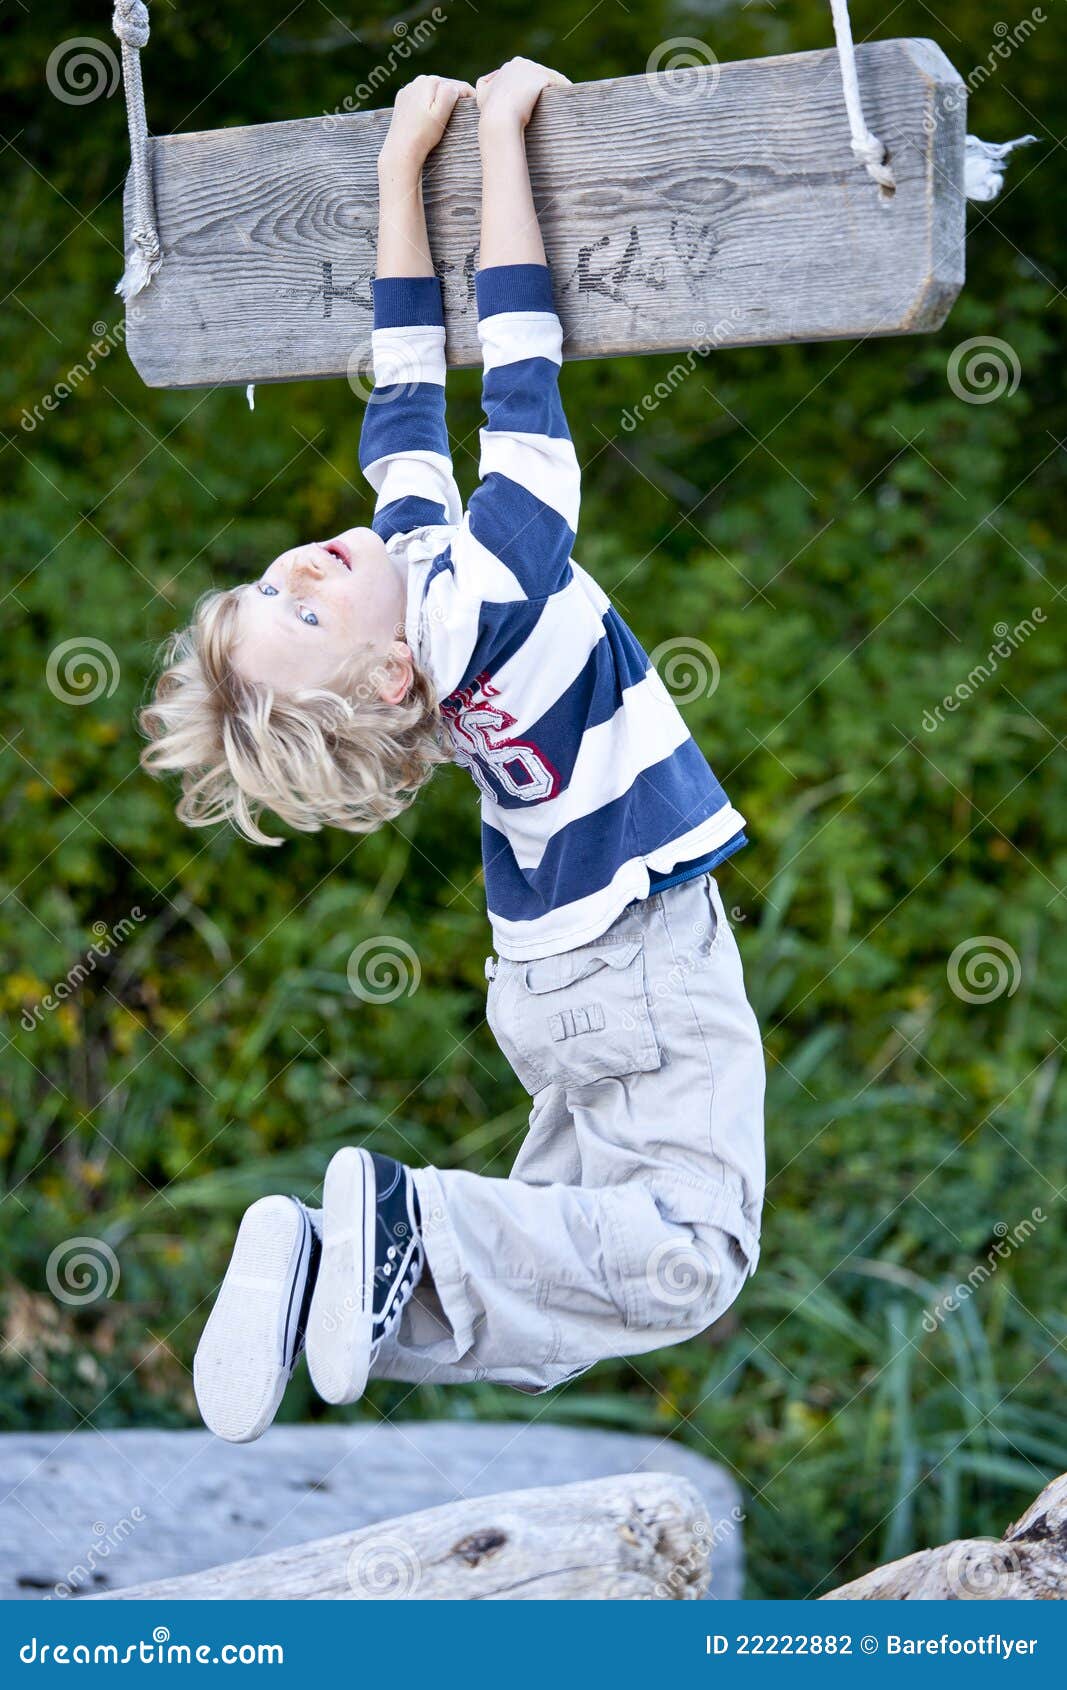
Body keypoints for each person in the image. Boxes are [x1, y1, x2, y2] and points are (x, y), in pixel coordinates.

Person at [142, 60, 765, 1443]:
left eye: (275, 581)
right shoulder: (488, 586)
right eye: (303, 611)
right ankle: (406, 1216)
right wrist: (500, 129)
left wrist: (398, 173)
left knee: (555, 1263)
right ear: (384, 676)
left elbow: (409, 381)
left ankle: (330, 1257)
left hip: (552, 968)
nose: (302, 565)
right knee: (690, 1253)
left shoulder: (422, 569)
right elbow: (523, 367)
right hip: (636, 949)